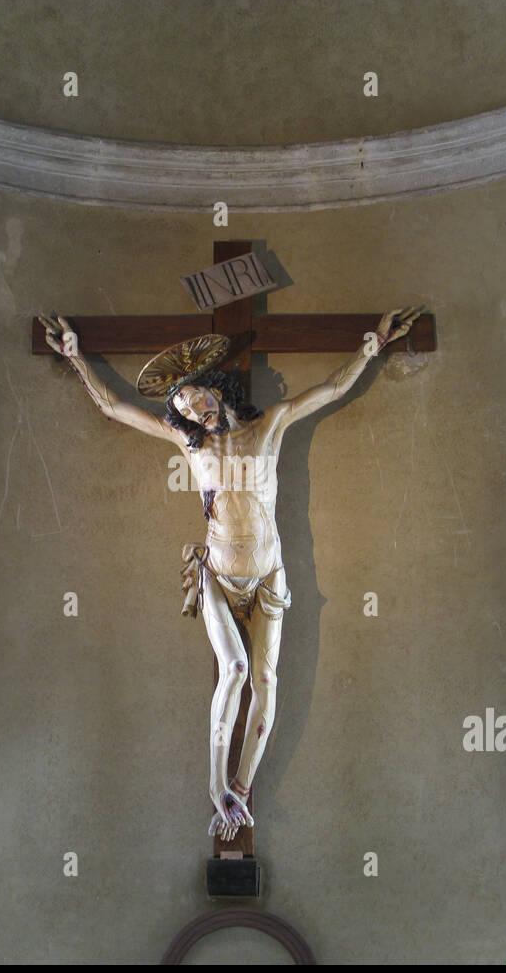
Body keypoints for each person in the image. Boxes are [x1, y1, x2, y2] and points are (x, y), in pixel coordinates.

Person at [41, 307, 422, 838]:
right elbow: (113, 408)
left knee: (265, 680)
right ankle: (214, 783)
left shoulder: (272, 423)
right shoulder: (190, 445)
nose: (192, 410)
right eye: (181, 409)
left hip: (268, 575)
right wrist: (77, 358)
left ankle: (240, 790)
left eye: (194, 396)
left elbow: (332, 389)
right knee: (236, 670)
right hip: (218, 573)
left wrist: (372, 344)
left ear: (213, 388)